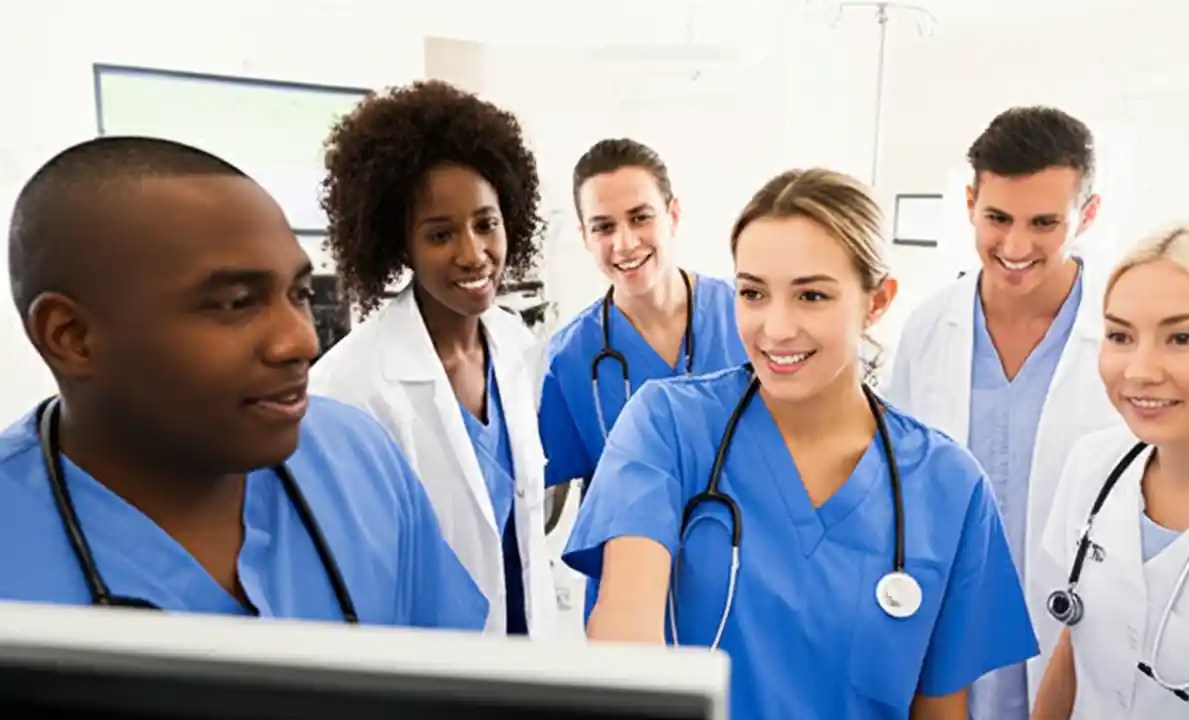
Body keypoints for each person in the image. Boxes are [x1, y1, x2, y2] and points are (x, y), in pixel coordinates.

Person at [563, 168, 1038, 720]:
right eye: (753, 293)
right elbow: (626, 645)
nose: (776, 328)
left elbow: (940, 710)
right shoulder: (668, 426)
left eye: (811, 295)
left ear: (878, 301)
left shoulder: (949, 486)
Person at [0, 136, 487, 629]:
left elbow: (452, 682)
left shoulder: (358, 459)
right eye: (236, 303)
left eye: (298, 294)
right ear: (73, 336)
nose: (301, 342)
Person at [885, 105, 1122, 718]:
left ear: (1087, 215)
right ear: (969, 203)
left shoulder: (1123, 336)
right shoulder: (928, 328)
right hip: (949, 645)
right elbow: (899, 496)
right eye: (997, 217)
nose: (1015, 245)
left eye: (1045, 222)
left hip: (1084, 646)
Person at [309, 80, 556, 637]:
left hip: (530, 653)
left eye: (486, 223)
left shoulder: (516, 346)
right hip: (426, 669)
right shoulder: (350, 386)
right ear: (402, 245)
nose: (473, 254)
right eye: (441, 234)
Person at [1032, 221, 1189, 719]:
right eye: (1120, 335)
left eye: (1182, 338)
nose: (1139, 370)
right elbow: (1074, 647)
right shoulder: (1092, 465)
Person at [538, 138, 747, 621]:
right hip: (628, 598)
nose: (624, 243)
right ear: (585, 236)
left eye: (640, 217)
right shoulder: (572, 357)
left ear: (673, 214)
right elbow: (533, 489)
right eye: (603, 227)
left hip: (741, 582)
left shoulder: (744, 314)